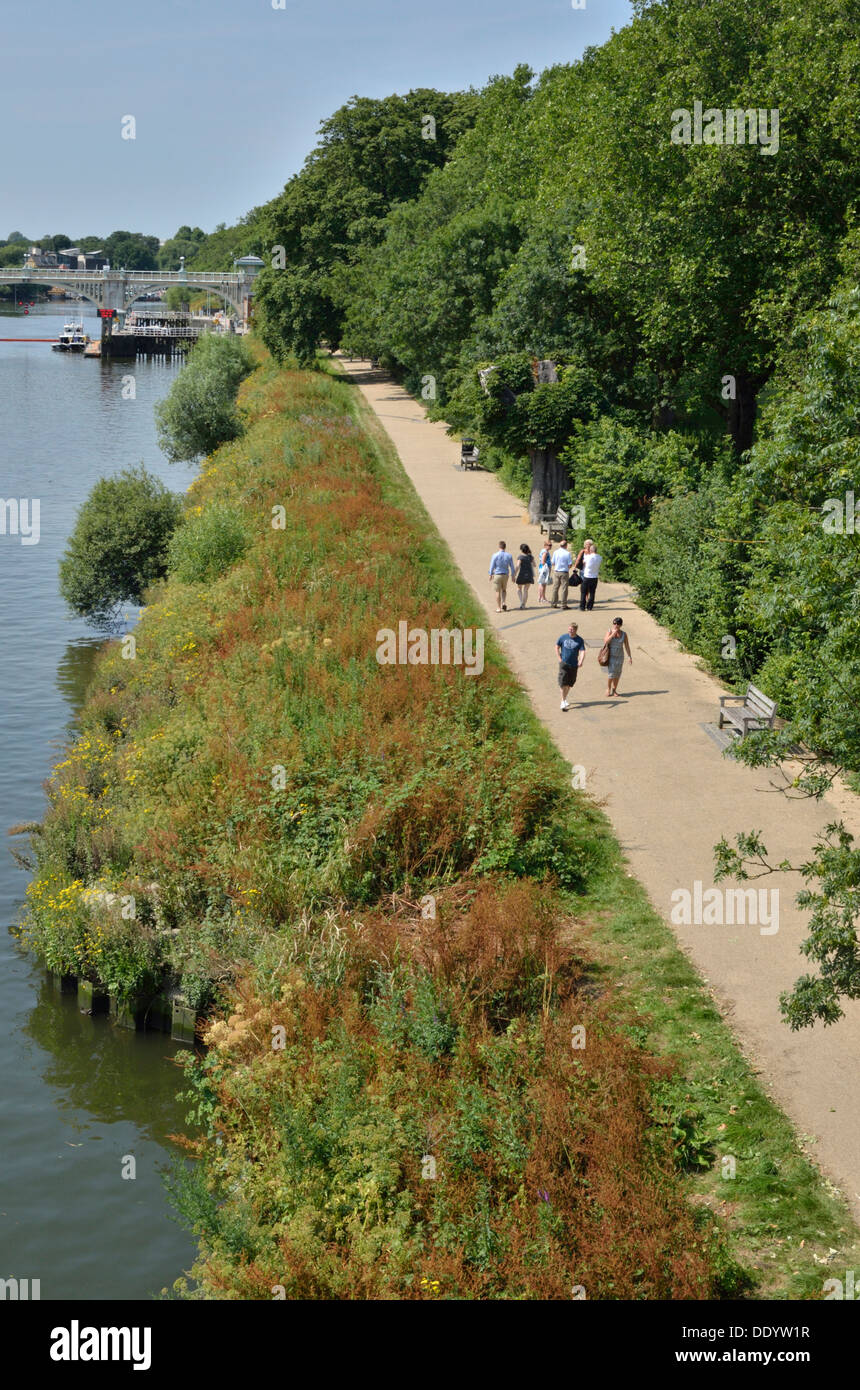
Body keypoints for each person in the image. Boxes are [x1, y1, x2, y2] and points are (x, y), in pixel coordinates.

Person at [556, 620, 586, 711]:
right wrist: (559, 659)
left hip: (574, 665)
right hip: (564, 664)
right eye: (569, 629)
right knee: (563, 683)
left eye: (572, 630)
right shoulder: (563, 637)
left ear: (576, 630)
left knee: (569, 684)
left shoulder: (579, 640)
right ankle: (563, 701)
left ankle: (564, 699)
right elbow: (556, 647)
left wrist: (581, 661)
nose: (570, 631)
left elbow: (582, 651)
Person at [603, 616, 632, 696]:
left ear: (620, 625)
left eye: (617, 624)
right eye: (614, 623)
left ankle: (614, 690)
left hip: (620, 656)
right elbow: (606, 641)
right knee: (611, 674)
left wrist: (629, 656)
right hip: (611, 655)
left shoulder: (624, 634)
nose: (615, 625)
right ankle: (608, 688)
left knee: (617, 674)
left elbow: (626, 646)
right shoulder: (609, 631)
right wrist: (612, 634)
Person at [488, 540, 515, 612]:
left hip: (497, 574)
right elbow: (512, 566)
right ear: (505, 547)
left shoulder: (495, 555)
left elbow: (492, 565)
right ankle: (504, 602)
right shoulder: (509, 555)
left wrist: (490, 574)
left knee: (497, 591)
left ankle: (498, 607)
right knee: (504, 590)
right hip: (505, 575)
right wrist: (513, 575)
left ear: (499, 546)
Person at [576, 539, 602, 611]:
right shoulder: (600, 557)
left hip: (587, 576)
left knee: (583, 592)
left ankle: (582, 606)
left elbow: (583, 563)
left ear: (591, 550)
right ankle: (590, 607)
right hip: (595, 577)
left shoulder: (587, 557)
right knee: (592, 592)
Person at [550, 540, 573, 609]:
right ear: (566, 545)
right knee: (564, 589)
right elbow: (570, 564)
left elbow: (553, 563)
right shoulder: (567, 553)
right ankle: (563, 604)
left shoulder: (555, 552)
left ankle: (554, 603)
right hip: (564, 572)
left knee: (555, 588)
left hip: (556, 571)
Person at [513, 543, 535, 609]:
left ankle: (521, 602)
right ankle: (524, 604)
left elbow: (517, 566)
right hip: (529, 574)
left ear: (521, 550)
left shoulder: (521, 557)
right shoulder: (530, 556)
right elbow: (534, 565)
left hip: (522, 574)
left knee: (519, 588)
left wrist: (514, 574)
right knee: (526, 590)